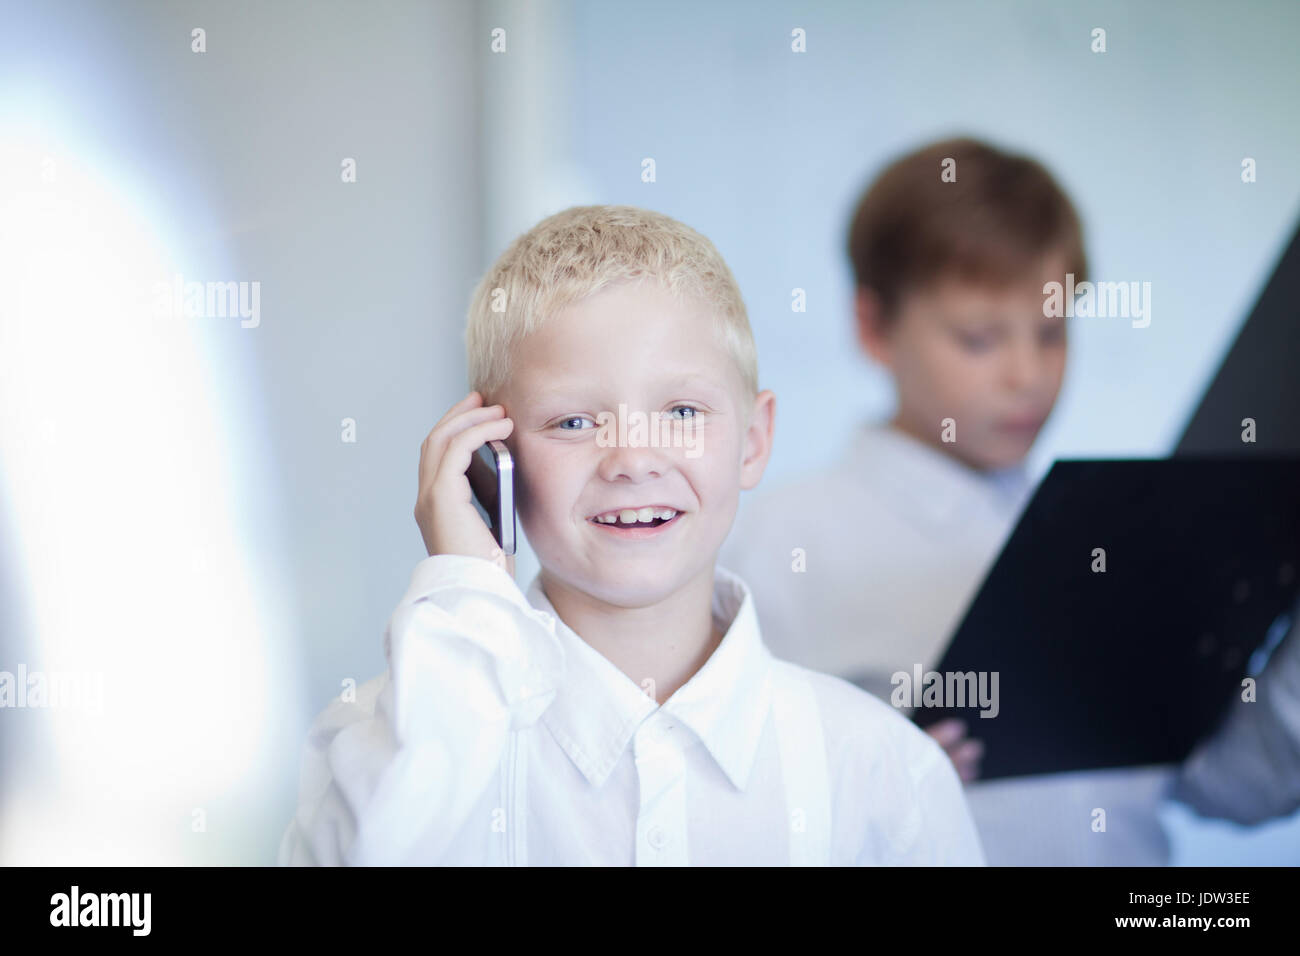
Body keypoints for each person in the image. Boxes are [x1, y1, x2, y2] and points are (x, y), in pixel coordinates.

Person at [278, 205, 985, 865]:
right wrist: (467, 586)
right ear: (491, 459)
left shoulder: (882, 769)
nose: (633, 459)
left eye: (681, 411)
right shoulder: (387, 739)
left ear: (753, 440)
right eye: (574, 422)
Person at [723, 139, 1181, 864]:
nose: (1027, 374)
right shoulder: (774, 547)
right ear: (875, 328)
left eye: (1053, 332)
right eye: (978, 339)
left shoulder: (1116, 547)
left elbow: (1233, 788)